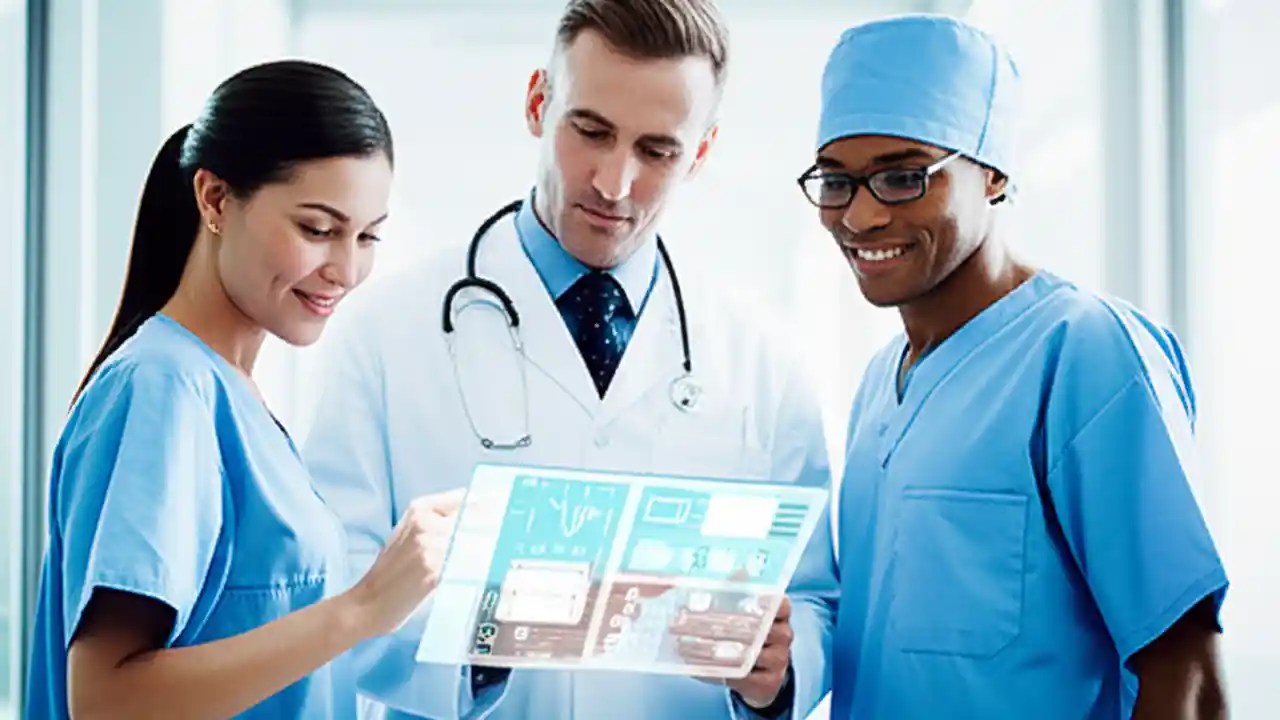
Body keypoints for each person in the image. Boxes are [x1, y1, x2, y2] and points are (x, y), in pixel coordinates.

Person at [302, 1, 837, 718]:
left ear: (702, 152)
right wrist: (471, 649)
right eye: (591, 132)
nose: (614, 183)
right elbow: (333, 593)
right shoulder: (386, 332)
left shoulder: (762, 357)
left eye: (658, 151)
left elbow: (811, 598)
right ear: (537, 103)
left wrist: (780, 669)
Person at [795, 14, 1230, 719]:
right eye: (837, 182)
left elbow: (1187, 674)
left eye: (904, 177)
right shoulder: (881, 386)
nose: (862, 216)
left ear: (992, 174)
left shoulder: (1085, 353)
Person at [24, 60, 453, 719]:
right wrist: (363, 607)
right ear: (216, 199)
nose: (345, 268)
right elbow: (106, 700)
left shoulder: (232, 396)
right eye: (317, 229)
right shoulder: (161, 388)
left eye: (367, 236)